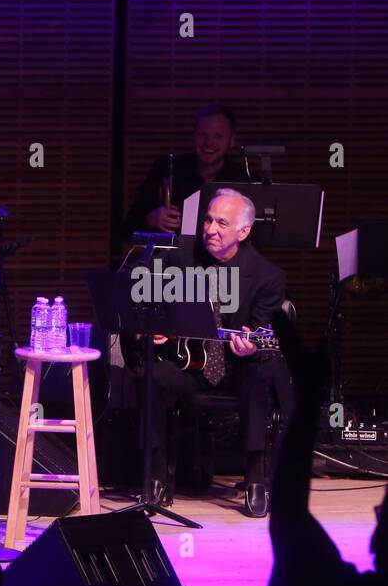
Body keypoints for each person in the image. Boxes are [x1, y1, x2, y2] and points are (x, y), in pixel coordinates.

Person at [123, 189, 293, 517]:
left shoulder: (267, 276)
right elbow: (142, 298)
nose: (211, 229)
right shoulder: (180, 257)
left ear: (243, 232)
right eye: (208, 220)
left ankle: (256, 478)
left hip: (236, 367)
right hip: (189, 366)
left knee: (259, 376)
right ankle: (154, 478)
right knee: (152, 377)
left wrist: (249, 346)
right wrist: (153, 324)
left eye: (222, 223)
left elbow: (260, 334)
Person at [121, 103, 250, 241]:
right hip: (172, 261)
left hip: (226, 262)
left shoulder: (244, 179)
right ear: (193, 136)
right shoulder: (167, 168)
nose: (209, 143)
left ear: (231, 141)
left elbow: (253, 242)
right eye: (203, 135)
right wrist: (151, 219)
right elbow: (128, 229)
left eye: (218, 136)